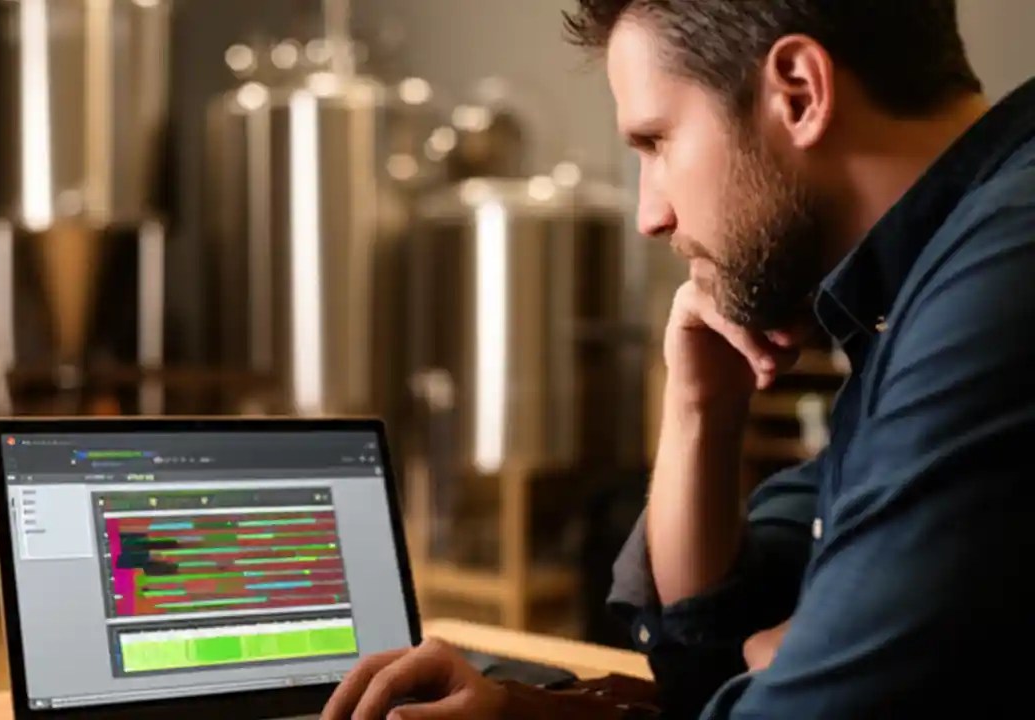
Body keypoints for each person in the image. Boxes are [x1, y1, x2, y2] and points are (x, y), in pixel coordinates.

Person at [322, 1, 1035, 718]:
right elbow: (715, 653)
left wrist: (793, 658)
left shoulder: (1001, 285)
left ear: (798, 92)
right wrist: (701, 405)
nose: (650, 215)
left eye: (656, 142)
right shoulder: (915, 296)